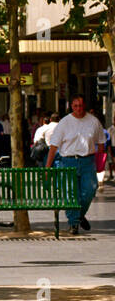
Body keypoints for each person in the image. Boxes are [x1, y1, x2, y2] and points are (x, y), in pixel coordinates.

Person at [47, 96, 107, 234]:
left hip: (87, 161)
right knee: (70, 194)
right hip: (68, 161)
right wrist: (47, 167)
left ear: (84, 105)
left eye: (81, 105)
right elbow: (53, 146)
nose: (79, 108)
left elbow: (101, 142)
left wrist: (99, 162)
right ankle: (73, 223)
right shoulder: (64, 122)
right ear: (71, 107)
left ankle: (79, 215)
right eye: (75, 106)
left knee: (90, 190)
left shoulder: (93, 121)